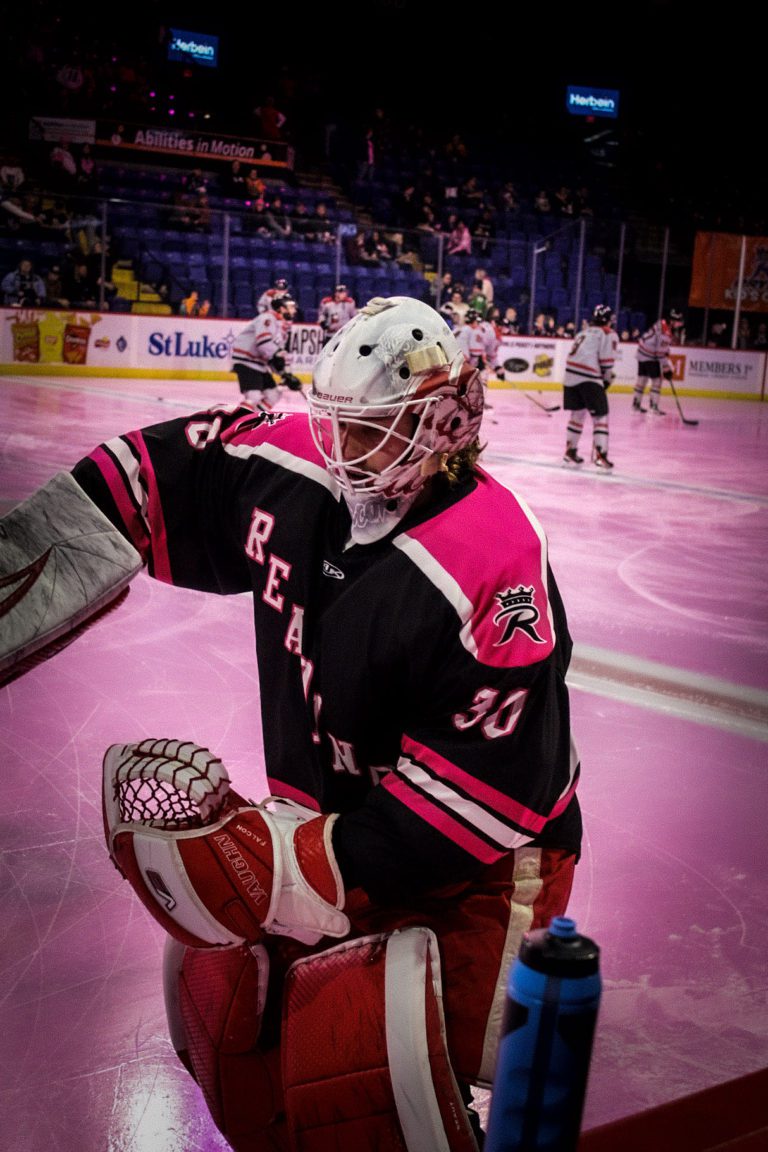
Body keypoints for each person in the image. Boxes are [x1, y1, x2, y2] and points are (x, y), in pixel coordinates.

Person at [2, 297, 582, 1152]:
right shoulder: (293, 458)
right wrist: (25, 556)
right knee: (253, 1047)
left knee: (414, 1089)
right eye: (334, 420)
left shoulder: (495, 560)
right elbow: (143, 481)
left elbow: (492, 792)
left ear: (442, 427)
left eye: (369, 429)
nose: (340, 446)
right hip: (341, 819)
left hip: (489, 865)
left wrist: (294, 867)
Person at [562, 303, 616, 470]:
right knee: (601, 417)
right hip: (589, 377)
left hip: (570, 377)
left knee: (577, 415)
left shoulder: (583, 332)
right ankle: (601, 455)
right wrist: (606, 379)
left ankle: (570, 451)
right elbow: (606, 362)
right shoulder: (607, 333)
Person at [230, 292, 298, 409]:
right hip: (247, 361)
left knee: (273, 395)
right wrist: (277, 357)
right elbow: (264, 343)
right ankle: (236, 418)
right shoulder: (267, 318)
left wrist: (285, 374)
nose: (294, 310)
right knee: (254, 397)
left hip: (258, 364)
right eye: (291, 307)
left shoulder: (279, 325)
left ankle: (254, 417)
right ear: (282, 308)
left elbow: (275, 355)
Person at [633, 317, 673, 414]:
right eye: (678, 322)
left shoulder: (660, 323)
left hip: (641, 353)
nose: (679, 324)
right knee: (657, 381)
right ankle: (654, 407)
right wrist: (666, 368)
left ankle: (636, 405)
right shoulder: (665, 332)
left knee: (642, 379)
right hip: (650, 356)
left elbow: (656, 343)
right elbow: (659, 353)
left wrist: (666, 350)